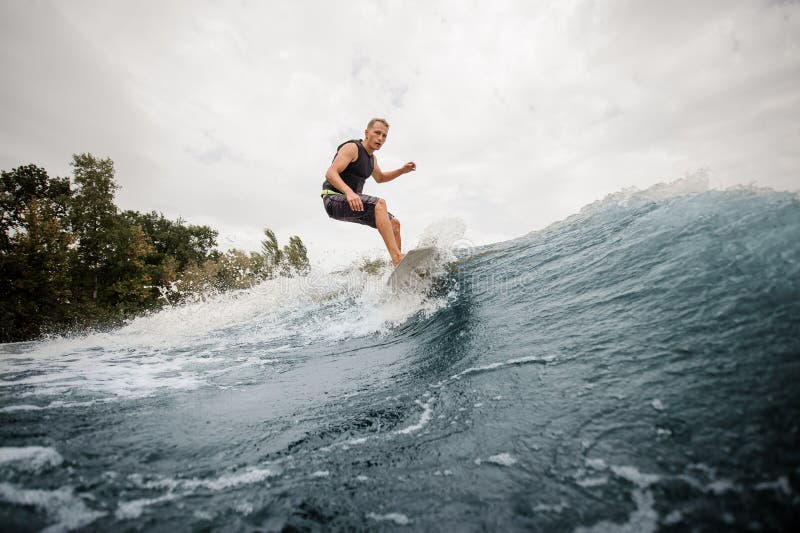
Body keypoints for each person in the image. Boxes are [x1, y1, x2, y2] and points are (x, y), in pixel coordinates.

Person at [321, 118, 416, 266]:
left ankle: (398, 266)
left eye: (384, 136)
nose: (380, 138)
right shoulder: (352, 148)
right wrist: (348, 192)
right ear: (366, 133)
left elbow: (380, 177)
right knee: (380, 204)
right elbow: (331, 173)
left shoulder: (372, 159)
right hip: (333, 199)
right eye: (377, 133)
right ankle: (397, 257)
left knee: (394, 224)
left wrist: (401, 171)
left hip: (353, 202)